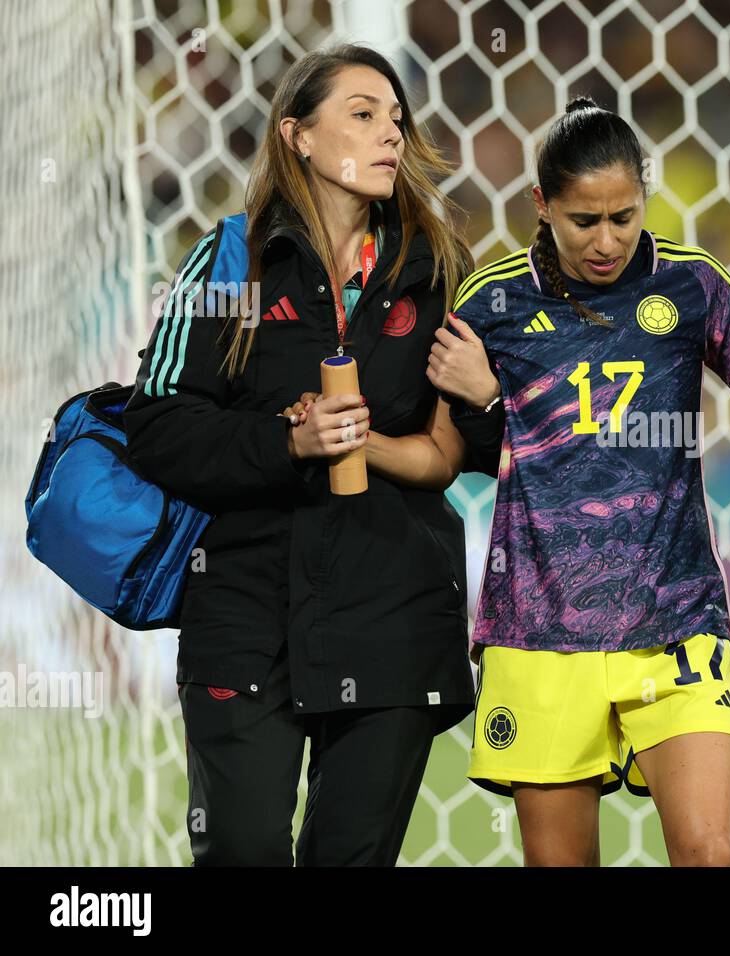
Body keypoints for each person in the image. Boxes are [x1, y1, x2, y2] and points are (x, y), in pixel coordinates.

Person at [428, 97, 730, 866]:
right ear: (542, 205)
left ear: (645, 195)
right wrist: (480, 398)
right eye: (583, 221)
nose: (607, 241)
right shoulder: (491, 303)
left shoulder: (693, 286)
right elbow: (447, 454)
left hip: (676, 617)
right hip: (539, 626)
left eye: (624, 216)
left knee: (709, 853)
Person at [124, 44, 500, 866]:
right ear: (297, 135)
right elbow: (156, 427)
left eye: (396, 119)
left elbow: (488, 450)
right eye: (362, 115)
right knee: (243, 851)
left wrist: (486, 396)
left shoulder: (439, 271)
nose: (389, 135)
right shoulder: (230, 263)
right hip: (247, 615)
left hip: (393, 618)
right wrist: (284, 440)